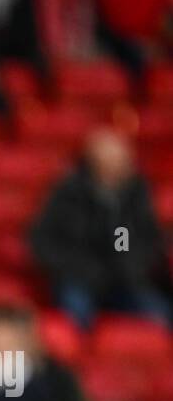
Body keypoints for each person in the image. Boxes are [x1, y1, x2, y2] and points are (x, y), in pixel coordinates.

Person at [30, 128, 171, 329]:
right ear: (94, 162)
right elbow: (43, 243)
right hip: (80, 278)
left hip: (125, 281)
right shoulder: (67, 193)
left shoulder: (138, 194)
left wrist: (133, 268)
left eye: (124, 159)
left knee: (159, 312)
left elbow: (147, 240)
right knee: (76, 313)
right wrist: (80, 270)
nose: (121, 166)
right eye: (113, 160)